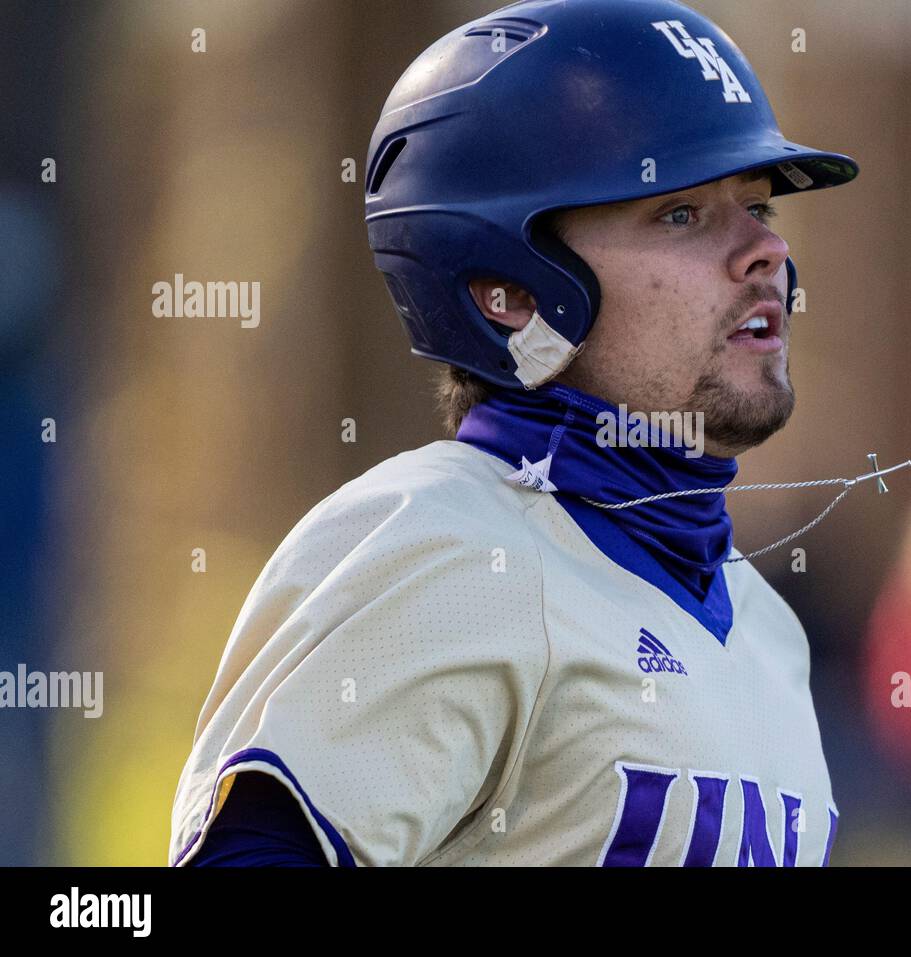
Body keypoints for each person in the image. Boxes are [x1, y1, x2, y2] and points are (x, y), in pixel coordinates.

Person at [170, 0, 860, 867]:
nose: (765, 249)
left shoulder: (767, 628)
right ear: (513, 291)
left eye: (757, 204)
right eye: (680, 213)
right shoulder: (443, 542)